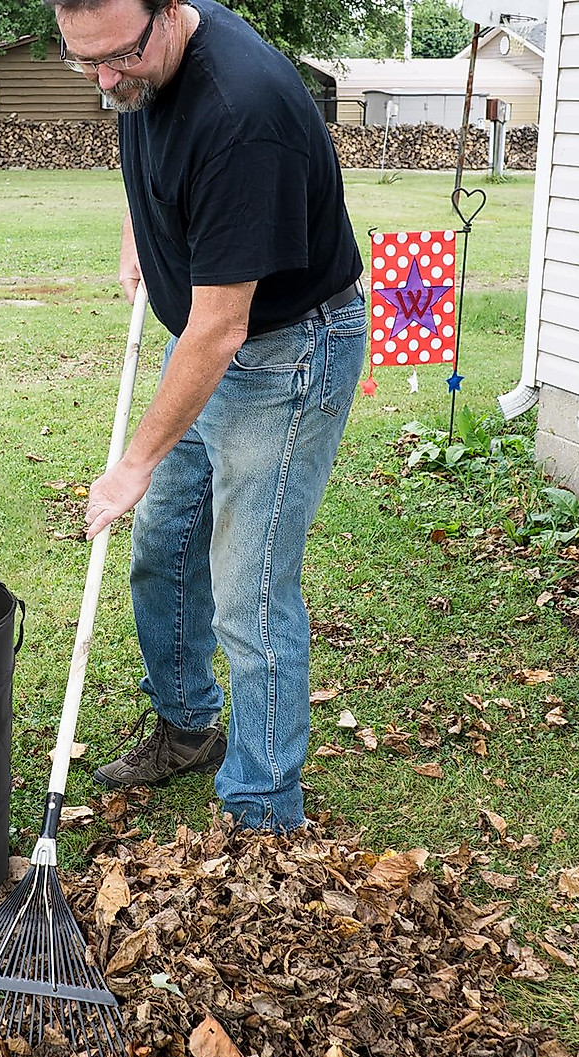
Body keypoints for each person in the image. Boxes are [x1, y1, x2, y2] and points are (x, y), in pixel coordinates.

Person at [49, 0, 367, 833]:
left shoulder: (243, 111)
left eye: (119, 56)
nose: (104, 78)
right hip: (206, 337)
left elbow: (223, 327)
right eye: (82, 59)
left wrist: (133, 463)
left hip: (285, 349)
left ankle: (263, 811)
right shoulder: (140, 63)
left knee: (248, 592)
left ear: (168, 10)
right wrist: (141, 228)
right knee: (162, 546)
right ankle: (187, 726)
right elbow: (149, 136)